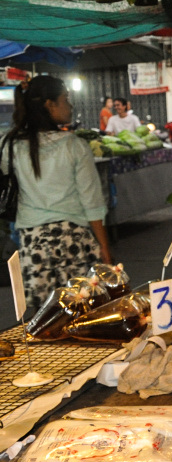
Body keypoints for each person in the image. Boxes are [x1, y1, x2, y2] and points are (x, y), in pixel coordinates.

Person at [0, 76, 112, 309]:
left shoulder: (11, 145)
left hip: (33, 242)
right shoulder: (74, 145)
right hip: (73, 239)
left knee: (46, 316)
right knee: (82, 312)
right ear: (50, 105)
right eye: (66, 99)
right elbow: (92, 202)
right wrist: (104, 248)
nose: (70, 106)